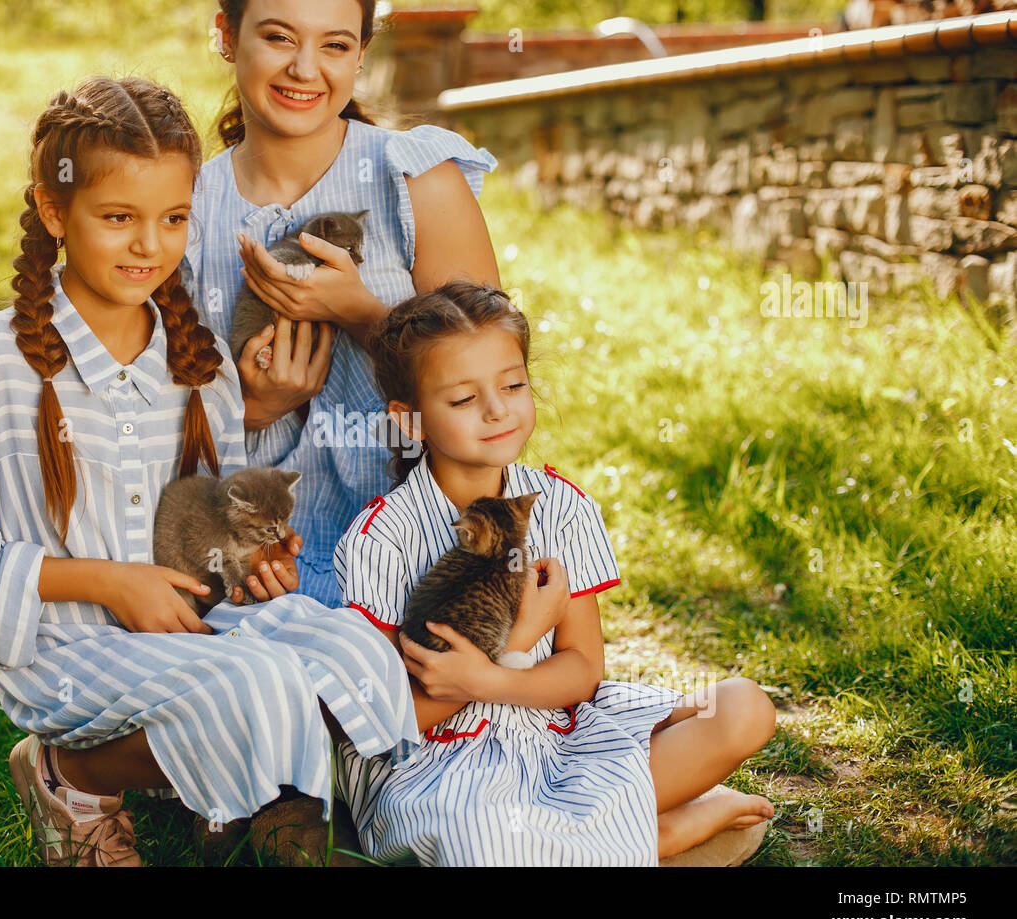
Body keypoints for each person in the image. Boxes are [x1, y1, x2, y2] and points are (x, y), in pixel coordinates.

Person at [0, 75, 418, 867]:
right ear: (51, 209)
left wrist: (250, 563)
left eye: (174, 219)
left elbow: (211, 522)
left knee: (353, 650)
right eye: (118, 218)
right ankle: (70, 775)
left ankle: (258, 800)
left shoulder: (196, 355)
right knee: (250, 682)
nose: (150, 245)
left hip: (192, 629)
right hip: (65, 651)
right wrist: (108, 581)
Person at [332, 281, 777, 865]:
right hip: (433, 762)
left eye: (513, 386)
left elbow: (583, 671)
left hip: (551, 727)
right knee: (486, 835)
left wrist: (494, 682)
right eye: (463, 400)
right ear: (410, 421)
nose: (497, 410)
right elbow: (385, 722)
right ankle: (657, 832)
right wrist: (513, 645)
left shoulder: (561, 506)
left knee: (743, 708)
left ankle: (605, 825)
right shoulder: (382, 537)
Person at [183, 0, 501, 609]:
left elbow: (491, 392)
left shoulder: (415, 180)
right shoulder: (182, 210)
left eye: (333, 45)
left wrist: (361, 314)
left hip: (421, 551)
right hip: (251, 565)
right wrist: (248, 410)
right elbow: (128, 424)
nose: (305, 69)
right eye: (279, 37)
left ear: (360, 52)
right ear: (226, 34)